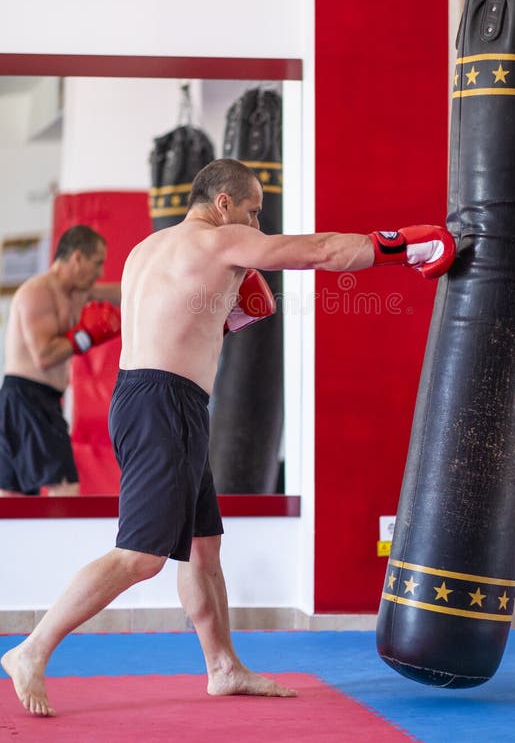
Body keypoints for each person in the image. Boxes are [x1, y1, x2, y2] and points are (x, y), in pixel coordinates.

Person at [1, 158, 455, 716]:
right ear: (223, 204)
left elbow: (185, 323)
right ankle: (32, 649)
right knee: (140, 557)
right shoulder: (220, 243)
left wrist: (231, 315)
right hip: (164, 405)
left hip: (158, 401)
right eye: (252, 211)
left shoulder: (148, 249)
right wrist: (401, 246)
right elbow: (321, 252)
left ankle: (223, 666)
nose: (256, 226)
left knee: (203, 549)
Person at [0, 225, 121, 497]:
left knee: (13, 494)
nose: (100, 272)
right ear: (77, 258)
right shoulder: (37, 292)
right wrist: (86, 336)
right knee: (65, 487)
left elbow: (129, 292)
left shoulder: (77, 292)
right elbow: (44, 356)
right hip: (27, 396)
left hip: (36, 399)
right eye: (97, 263)